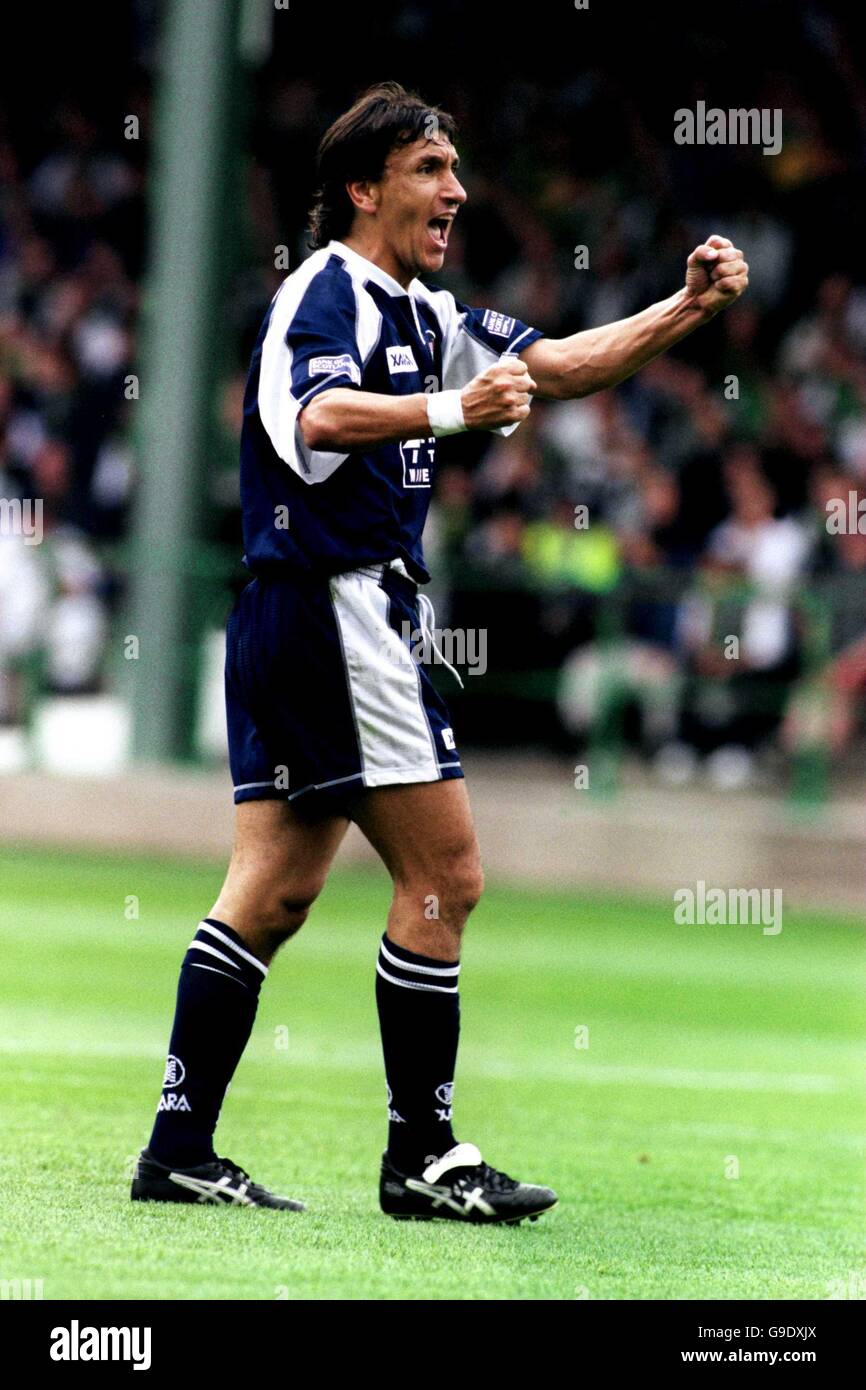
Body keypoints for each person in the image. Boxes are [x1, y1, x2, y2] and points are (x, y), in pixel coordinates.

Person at [130, 82, 748, 1222]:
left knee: (268, 892)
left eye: (454, 169)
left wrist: (681, 311)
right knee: (446, 877)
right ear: (362, 190)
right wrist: (451, 412)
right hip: (339, 610)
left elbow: (554, 366)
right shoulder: (329, 291)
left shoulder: (422, 309)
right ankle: (422, 1155)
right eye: (428, 169)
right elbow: (315, 417)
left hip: (291, 614)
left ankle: (177, 1146)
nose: (455, 190)